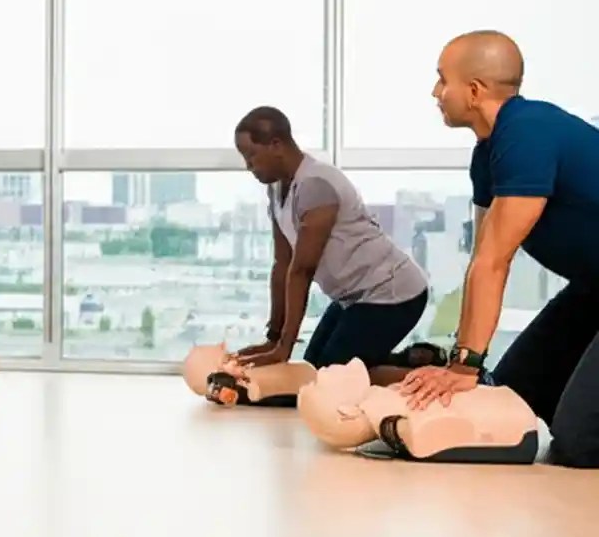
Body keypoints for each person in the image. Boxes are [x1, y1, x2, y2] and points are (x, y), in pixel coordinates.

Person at [399, 30, 599, 469]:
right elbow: (482, 259)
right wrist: (463, 366)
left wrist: (463, 367)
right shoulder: (487, 154)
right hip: (592, 289)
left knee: (581, 444)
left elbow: (495, 261)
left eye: (441, 80)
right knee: (511, 398)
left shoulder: (528, 132)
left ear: (473, 91)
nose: (435, 92)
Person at [232, 106, 430, 370]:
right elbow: (283, 264)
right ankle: (414, 360)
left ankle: (432, 374)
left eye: (251, 155)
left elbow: (302, 270)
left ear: (276, 145)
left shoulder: (315, 185)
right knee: (313, 369)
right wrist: (273, 338)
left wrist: (284, 348)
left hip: (392, 292)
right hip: (353, 297)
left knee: (330, 377)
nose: (248, 166)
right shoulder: (276, 190)